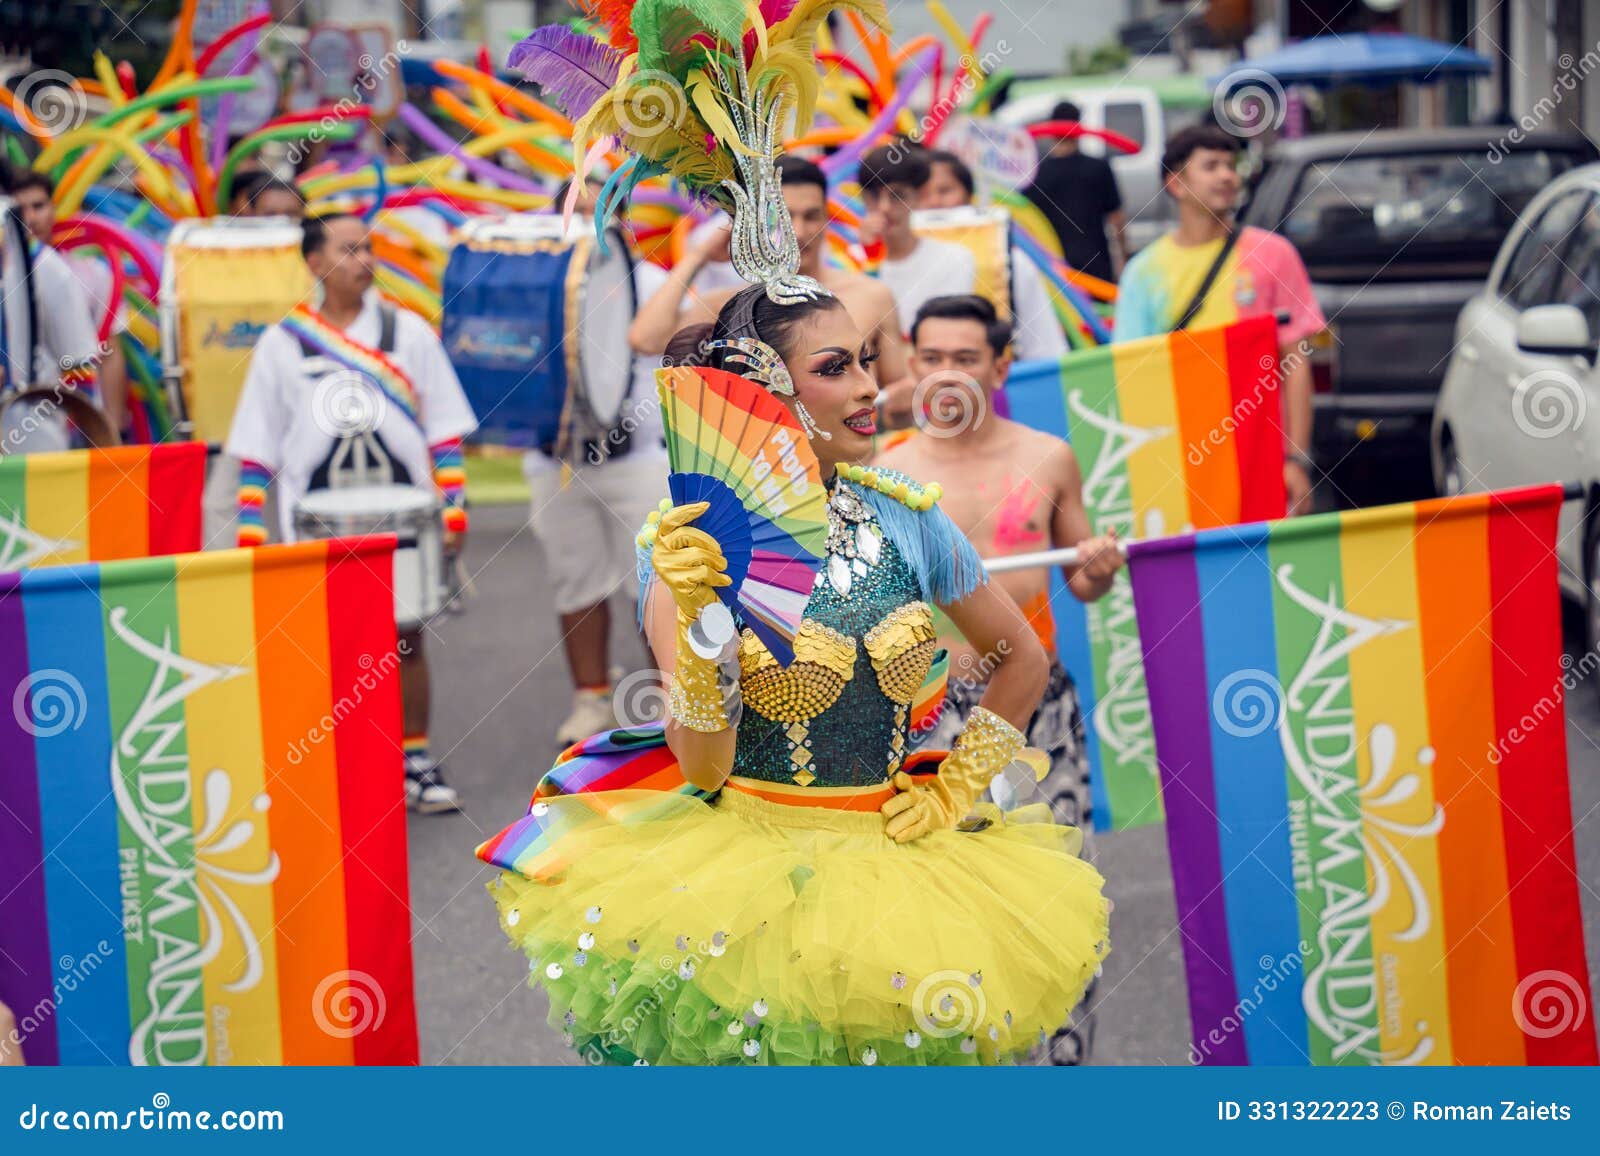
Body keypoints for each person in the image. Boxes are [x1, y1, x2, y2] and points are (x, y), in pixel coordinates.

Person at [480, 4, 1108, 1067]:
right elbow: (701, 758)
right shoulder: (689, 542)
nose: (872, 386)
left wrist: (957, 784)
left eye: (867, 360)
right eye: (838, 369)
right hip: (745, 886)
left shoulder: (909, 519)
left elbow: (1022, 658)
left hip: (903, 877)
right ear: (770, 389)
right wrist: (703, 619)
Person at [874, 294, 1122, 1064]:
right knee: (931, 902)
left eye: (967, 358)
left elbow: (1084, 579)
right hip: (920, 712)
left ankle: (1058, 1078)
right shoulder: (886, 472)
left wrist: (1098, 567)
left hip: (1034, 712)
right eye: (933, 357)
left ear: (1001, 366)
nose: (948, 374)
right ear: (912, 364)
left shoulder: (1045, 456)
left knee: (1054, 892)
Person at [226, 214, 477, 813]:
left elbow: (444, 428)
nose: (364, 259)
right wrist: (252, 531)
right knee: (328, 646)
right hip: (315, 519)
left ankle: (413, 758)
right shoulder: (282, 343)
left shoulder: (408, 332)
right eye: (348, 249)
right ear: (314, 262)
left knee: (406, 637)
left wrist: (455, 510)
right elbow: (257, 445)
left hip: (403, 516)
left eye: (368, 248)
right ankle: (347, 766)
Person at [523, 175, 673, 745]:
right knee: (576, 585)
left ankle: (670, 701)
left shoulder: (654, 283)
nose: (588, 221)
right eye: (574, 210)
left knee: (658, 588)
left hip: (636, 460)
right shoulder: (533, 289)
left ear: (624, 219)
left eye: (600, 209)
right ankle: (589, 702)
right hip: (557, 461)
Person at [1114, 124, 1325, 514]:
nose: (1227, 176)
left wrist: (1295, 459)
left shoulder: (1274, 255)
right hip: (1179, 463)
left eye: (1231, 165)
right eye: (1211, 166)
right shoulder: (1144, 273)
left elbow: (1295, 364)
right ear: (1176, 183)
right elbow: (1132, 377)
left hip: (1261, 459)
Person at [629, 154, 910, 396]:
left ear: (827, 218)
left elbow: (896, 392)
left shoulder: (871, 296)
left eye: (811, 216)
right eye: (785, 218)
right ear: (760, 223)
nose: (799, 232)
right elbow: (647, 341)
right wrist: (698, 257)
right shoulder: (732, 306)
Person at [856, 145, 975, 425]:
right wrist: (866, 257)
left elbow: (949, 337)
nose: (885, 208)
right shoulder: (848, 260)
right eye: (875, 197)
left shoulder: (953, 258)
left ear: (918, 198)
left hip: (933, 405)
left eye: (897, 195)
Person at [918, 151, 1068, 364]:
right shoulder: (892, 262)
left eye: (945, 190)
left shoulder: (1011, 260)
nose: (933, 202)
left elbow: (1046, 350)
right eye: (922, 194)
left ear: (968, 196)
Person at [8, 170, 127, 435]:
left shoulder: (81, 272)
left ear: (53, 209)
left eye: (38, 206)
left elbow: (105, 354)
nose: (30, 217)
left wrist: (110, 428)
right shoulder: (11, 272)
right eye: (19, 208)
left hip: (58, 423)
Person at [1022, 101, 1126, 283]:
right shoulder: (1099, 168)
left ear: (1051, 129)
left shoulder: (1034, 174)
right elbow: (1117, 221)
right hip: (1096, 264)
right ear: (1079, 129)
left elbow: (1027, 226)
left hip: (1053, 267)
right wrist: (1122, 261)